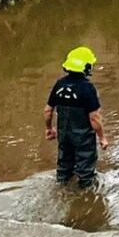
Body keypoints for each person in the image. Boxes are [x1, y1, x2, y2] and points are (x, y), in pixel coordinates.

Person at [46, 46, 106, 188]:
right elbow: (94, 118)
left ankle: (62, 189)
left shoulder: (59, 85)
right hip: (83, 138)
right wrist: (102, 137)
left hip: (64, 135)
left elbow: (48, 111)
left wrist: (49, 128)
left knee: (63, 168)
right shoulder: (87, 88)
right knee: (86, 173)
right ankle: (86, 200)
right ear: (86, 67)